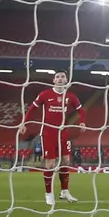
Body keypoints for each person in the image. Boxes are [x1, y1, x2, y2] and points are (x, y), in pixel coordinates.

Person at [18, 71, 85, 206]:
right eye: (57, 77)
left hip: (63, 133)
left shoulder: (71, 96)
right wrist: (24, 123)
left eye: (62, 77)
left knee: (65, 160)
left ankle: (64, 191)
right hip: (48, 133)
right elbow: (31, 109)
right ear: (53, 80)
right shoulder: (45, 95)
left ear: (66, 80)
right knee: (50, 164)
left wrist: (82, 121)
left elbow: (81, 110)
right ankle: (48, 194)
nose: (60, 79)